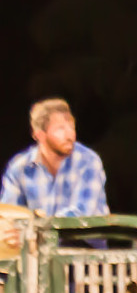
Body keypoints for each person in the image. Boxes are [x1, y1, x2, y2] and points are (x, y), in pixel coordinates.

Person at [1, 99, 108, 251]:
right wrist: (16, 231)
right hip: (36, 250)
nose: (70, 135)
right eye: (60, 129)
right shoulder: (20, 167)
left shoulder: (88, 161)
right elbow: (9, 215)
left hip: (82, 253)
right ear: (40, 135)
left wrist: (35, 228)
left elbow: (81, 215)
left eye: (71, 127)